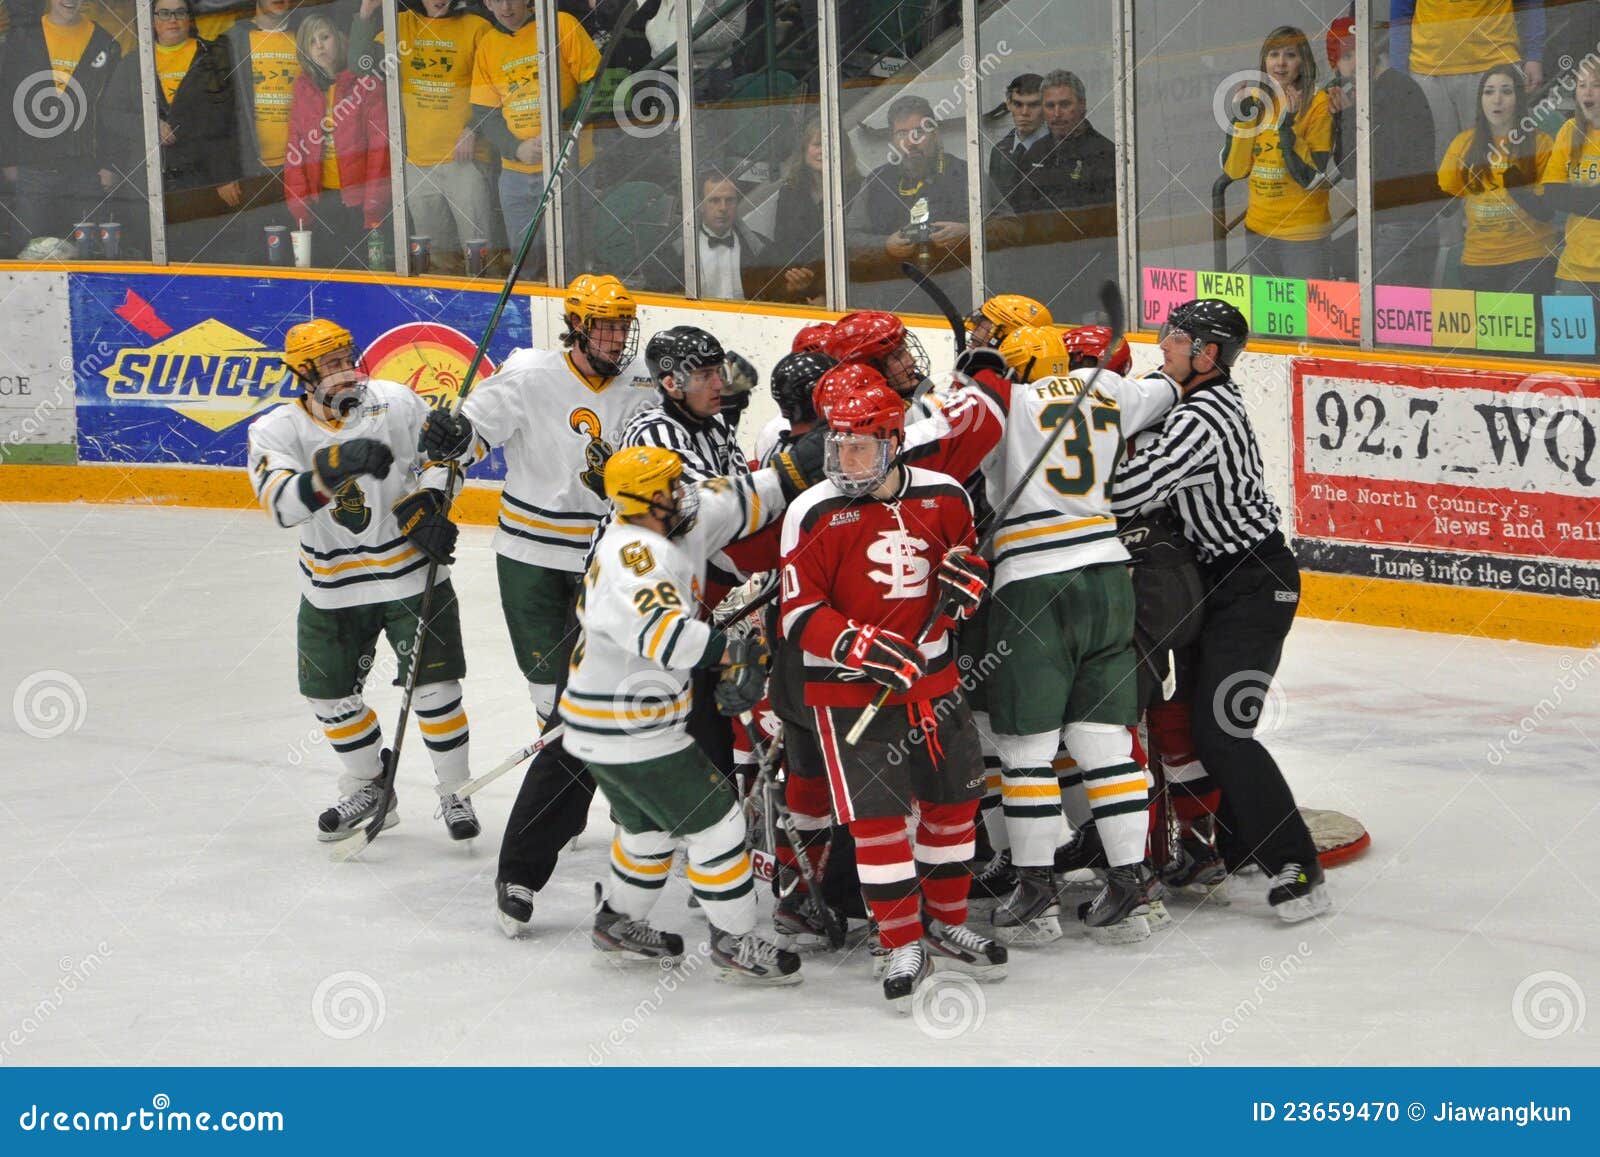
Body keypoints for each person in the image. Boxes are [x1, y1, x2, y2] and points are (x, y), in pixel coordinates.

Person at [416, 274, 657, 937]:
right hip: (534, 560)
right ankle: (563, 814)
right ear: (576, 327)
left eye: (621, 325)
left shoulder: (645, 376)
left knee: (621, 692)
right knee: (559, 702)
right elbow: (468, 436)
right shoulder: (527, 374)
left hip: (614, 559)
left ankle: (618, 818)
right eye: (604, 325)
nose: (616, 337)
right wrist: (445, 451)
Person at [780, 375, 1008, 1008]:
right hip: (849, 691)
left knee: (955, 807)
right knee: (879, 825)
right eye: (838, 446)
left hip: (934, 681)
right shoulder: (815, 510)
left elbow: (962, 565)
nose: (845, 461)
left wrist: (967, 584)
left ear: (894, 443)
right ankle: (900, 938)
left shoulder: (945, 496)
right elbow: (799, 614)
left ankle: (945, 921)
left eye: (860, 448)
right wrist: (861, 646)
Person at [1111, 299, 1328, 923]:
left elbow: (1133, 490)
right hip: (1217, 581)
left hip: (1255, 586)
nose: (1164, 346)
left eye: (1176, 338)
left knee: (1223, 729)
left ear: (1208, 354)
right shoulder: (1190, 400)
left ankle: (1297, 862)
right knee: (1196, 718)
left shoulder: (1204, 416)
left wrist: (1062, 474)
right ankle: (1235, 846)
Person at [967, 326, 1177, 947]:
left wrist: (973, 371)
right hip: (1110, 576)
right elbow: (1165, 389)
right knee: (1105, 742)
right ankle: (1131, 885)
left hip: (1033, 584)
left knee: (1026, 749)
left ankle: (1035, 896)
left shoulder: (1005, 401)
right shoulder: (1107, 386)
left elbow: (939, 428)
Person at [568, 445, 808, 983]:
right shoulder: (637, 556)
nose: (683, 495)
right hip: (632, 729)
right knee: (718, 825)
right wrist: (730, 652)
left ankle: (619, 923)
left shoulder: (642, 538)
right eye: (672, 487)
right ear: (649, 498)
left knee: (650, 831)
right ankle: (736, 940)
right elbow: (664, 634)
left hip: (603, 726)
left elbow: (734, 499)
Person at [245, 318, 479, 845]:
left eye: (347, 358)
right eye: (330, 365)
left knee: (435, 689)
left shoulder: (395, 401)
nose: (345, 371)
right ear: (303, 375)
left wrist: (437, 498)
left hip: (411, 572)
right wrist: (333, 466)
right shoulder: (276, 431)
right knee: (329, 698)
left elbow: (442, 461)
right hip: (331, 585)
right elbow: (281, 507)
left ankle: (455, 792)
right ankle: (373, 785)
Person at [350, 0, 494, 277]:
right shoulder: (402, 25)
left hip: (465, 161)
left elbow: (497, 88)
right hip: (418, 164)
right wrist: (367, 11)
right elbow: (360, 64)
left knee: (478, 255)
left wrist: (473, 128)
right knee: (437, 261)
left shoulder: (477, 28)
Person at [103, 0, 242, 263]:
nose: (173, 20)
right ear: (152, 21)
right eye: (164, 13)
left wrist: (226, 174)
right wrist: (148, 126)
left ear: (190, 18)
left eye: (180, 12)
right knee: (149, 258)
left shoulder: (212, 58)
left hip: (201, 181)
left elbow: (230, 119)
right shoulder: (135, 62)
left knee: (200, 256)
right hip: (148, 183)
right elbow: (109, 114)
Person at [471, 0, 599, 274]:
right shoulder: (488, 45)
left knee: (572, 262)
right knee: (525, 267)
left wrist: (558, 127)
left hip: (569, 167)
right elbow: (485, 113)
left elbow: (595, 85)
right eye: (497, 1)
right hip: (515, 175)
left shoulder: (561, 24)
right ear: (487, 4)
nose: (506, 8)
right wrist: (516, 148)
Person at [0, 0, 122, 251]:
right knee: (27, 252)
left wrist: (108, 163)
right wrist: (7, 158)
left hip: (84, 170)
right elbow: (5, 100)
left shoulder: (105, 43)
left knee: (88, 253)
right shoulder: (21, 36)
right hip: (32, 168)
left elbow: (111, 111)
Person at [1328, 17, 1440, 287]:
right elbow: (1350, 167)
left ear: (1374, 50)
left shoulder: (1395, 89)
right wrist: (1344, 118)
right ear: (1336, 66)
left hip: (1400, 221)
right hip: (1393, 220)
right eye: (1346, 56)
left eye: (1358, 51)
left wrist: (1348, 116)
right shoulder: (1374, 94)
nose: (1355, 62)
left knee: (1387, 316)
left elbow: (1372, 160)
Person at [1220, 25, 1334, 280]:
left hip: (1303, 235)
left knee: (1306, 317)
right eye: (1274, 55)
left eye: (1290, 55)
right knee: (1267, 316)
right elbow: (1234, 169)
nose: (1280, 63)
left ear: (1303, 61)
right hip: (1258, 229)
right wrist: (1243, 119)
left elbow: (1313, 177)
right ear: (1264, 60)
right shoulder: (1258, 102)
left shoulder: (1318, 103)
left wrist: (1287, 127)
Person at [1436, 65, 1557, 297]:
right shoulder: (1463, 144)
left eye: (1506, 91)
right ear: (1480, 99)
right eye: (1489, 92)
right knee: (1483, 334)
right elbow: (1445, 207)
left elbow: (1546, 212)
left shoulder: (1541, 143)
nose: (1497, 100)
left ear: (1519, 99)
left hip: (1530, 257)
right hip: (1478, 259)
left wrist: (1516, 186)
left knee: (1519, 333)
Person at [283, 13, 391, 269]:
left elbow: (379, 148)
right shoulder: (303, 87)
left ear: (340, 39)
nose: (319, 45)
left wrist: (374, 202)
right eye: (312, 41)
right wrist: (299, 204)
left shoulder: (364, 82)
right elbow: (294, 148)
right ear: (305, 51)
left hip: (359, 202)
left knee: (364, 273)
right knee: (327, 273)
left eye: (325, 37)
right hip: (322, 200)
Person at [847, 93, 972, 313]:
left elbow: (1011, 227)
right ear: (892, 140)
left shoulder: (967, 174)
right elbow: (848, 241)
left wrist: (968, 233)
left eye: (919, 131)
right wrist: (885, 246)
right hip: (892, 306)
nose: (911, 141)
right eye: (902, 133)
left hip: (959, 304)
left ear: (935, 133)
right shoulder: (876, 181)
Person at [1390, 0, 1544, 168]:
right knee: (1440, 167)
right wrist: (1399, 74)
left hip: (1494, 67)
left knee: (1498, 162)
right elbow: (1400, 13)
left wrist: (1534, 54)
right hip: (1427, 71)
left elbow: (1531, 3)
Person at [1515, 55, 1599, 303]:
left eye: (1595, 84)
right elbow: (1552, 194)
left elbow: (1564, 195)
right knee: (1568, 343)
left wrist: (1573, 196)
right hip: (1575, 268)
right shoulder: (1569, 131)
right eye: (1582, 85)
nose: (1587, 92)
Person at [223, 0, 302, 261]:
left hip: (298, 167)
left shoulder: (308, 35)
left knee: (300, 256)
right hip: (250, 171)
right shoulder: (232, 41)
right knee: (254, 256)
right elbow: (217, 108)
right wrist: (225, 170)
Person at [770, 114, 861, 305]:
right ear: (805, 150)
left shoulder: (859, 187)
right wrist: (799, 285)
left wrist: (827, 295)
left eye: (830, 146)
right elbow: (782, 243)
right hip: (797, 291)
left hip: (848, 292)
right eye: (817, 144)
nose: (823, 152)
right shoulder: (789, 192)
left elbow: (857, 248)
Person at [667, 164, 775, 302]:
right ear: (700, 206)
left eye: (729, 200)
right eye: (714, 200)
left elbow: (774, 295)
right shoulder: (675, 252)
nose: (723, 208)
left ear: (737, 203)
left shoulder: (761, 248)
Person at [986, 73, 1047, 210]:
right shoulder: (999, 152)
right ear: (1008, 104)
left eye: (1033, 105)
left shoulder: (1061, 147)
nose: (1024, 112)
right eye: (1018, 104)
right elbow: (996, 208)